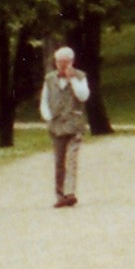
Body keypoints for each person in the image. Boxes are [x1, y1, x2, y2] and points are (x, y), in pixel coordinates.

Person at [39, 46, 91, 209]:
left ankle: (70, 193)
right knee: (59, 162)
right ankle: (60, 195)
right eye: (58, 62)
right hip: (56, 126)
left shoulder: (80, 76)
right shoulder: (49, 79)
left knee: (71, 159)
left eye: (64, 62)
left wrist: (72, 79)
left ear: (71, 62)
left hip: (74, 125)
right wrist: (48, 118)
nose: (61, 65)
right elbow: (44, 101)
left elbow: (84, 96)